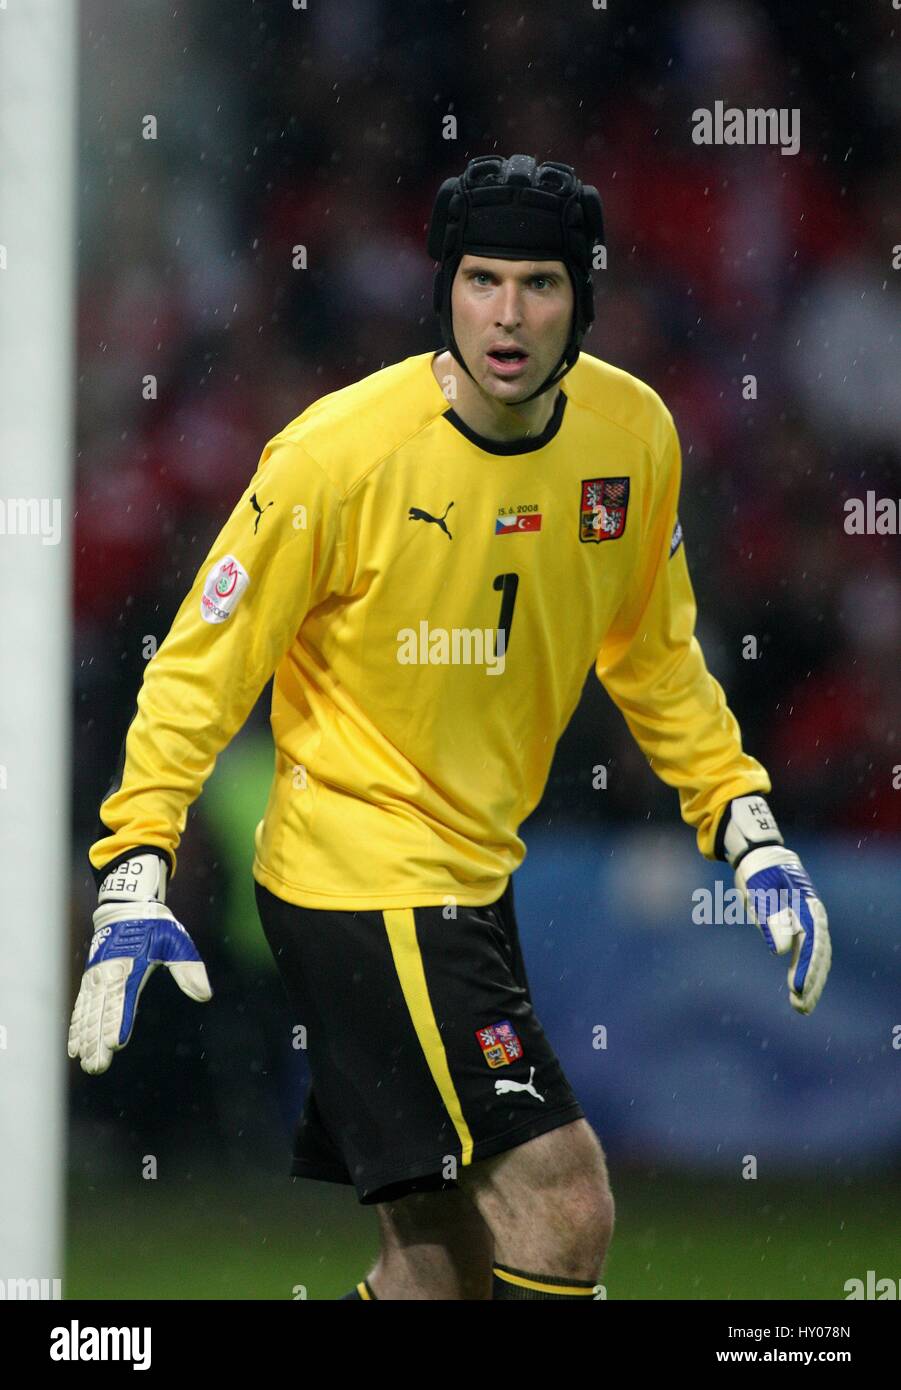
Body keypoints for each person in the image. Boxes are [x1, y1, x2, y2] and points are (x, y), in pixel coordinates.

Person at [69, 154, 832, 1301]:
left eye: (538, 284)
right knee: (562, 1198)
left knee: (436, 1263)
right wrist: (136, 861)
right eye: (480, 280)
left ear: (583, 299)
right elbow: (199, 665)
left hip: (469, 874)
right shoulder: (338, 453)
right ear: (445, 290)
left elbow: (656, 654)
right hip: (360, 871)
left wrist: (745, 818)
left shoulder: (635, 438)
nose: (507, 314)